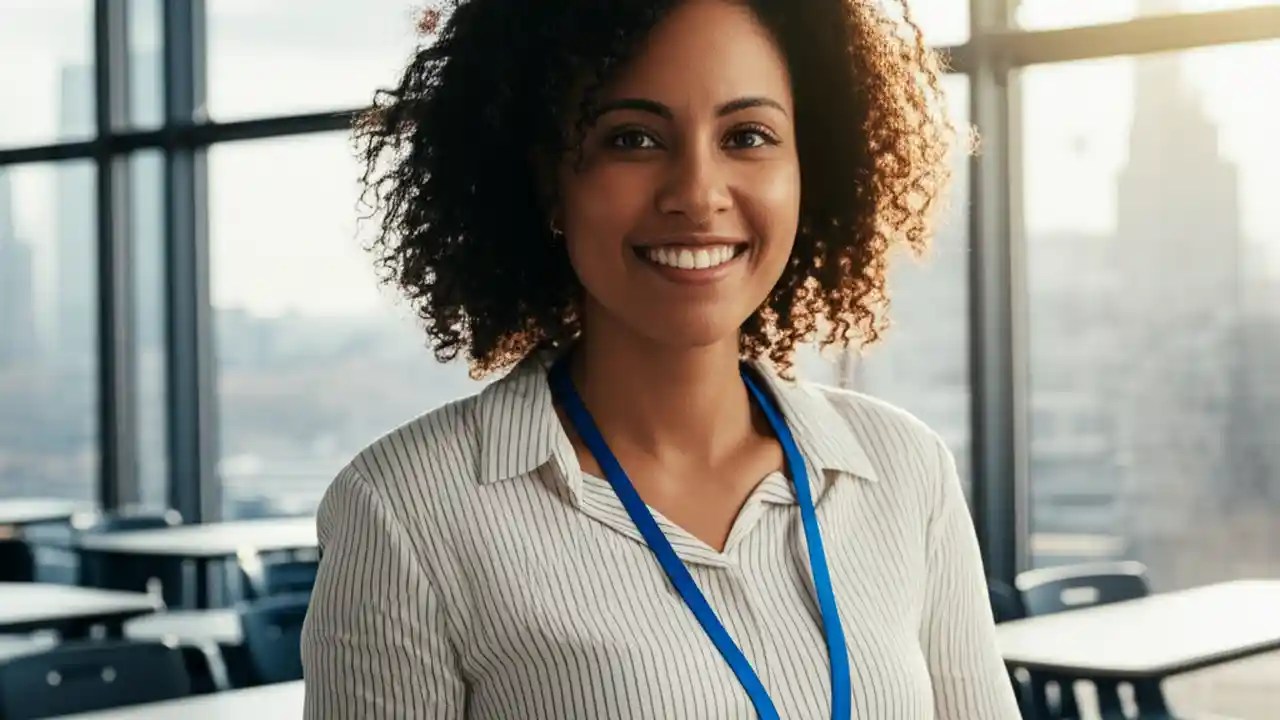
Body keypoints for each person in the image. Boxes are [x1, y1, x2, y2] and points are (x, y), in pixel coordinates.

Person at [301, 0, 1020, 717]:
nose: (697, 194)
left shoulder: (904, 471)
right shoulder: (403, 511)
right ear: (549, 178)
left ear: (812, 166)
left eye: (747, 135)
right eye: (633, 139)